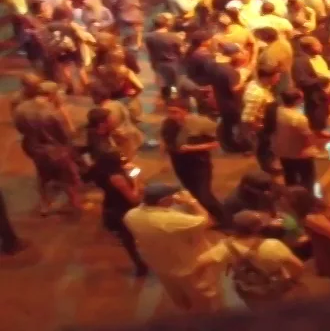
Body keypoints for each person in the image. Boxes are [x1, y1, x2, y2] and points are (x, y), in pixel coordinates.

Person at [124, 182, 220, 312]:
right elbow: (207, 221)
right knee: (202, 302)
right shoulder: (172, 220)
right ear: (164, 200)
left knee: (180, 301)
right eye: (173, 196)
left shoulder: (131, 215)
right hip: (189, 267)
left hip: (161, 266)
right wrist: (192, 201)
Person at [201, 210, 305, 307]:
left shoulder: (225, 248)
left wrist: (203, 283)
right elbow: (299, 265)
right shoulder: (273, 245)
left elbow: (201, 261)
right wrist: (293, 279)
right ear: (257, 228)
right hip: (275, 287)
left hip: (248, 289)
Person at [86, 114, 147, 276]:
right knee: (132, 236)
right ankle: (142, 263)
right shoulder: (117, 178)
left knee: (127, 240)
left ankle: (139, 263)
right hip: (123, 209)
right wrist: (135, 180)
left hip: (110, 206)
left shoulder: (100, 170)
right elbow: (133, 197)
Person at [13, 78, 82, 214]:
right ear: (52, 95)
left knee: (42, 175)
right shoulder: (52, 113)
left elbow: (19, 128)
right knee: (67, 177)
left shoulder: (20, 108)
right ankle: (75, 204)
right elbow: (64, 136)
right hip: (56, 151)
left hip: (33, 148)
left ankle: (45, 205)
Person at [161, 99, 227, 224]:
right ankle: (206, 218)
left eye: (176, 112)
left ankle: (226, 220)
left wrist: (192, 148)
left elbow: (217, 143)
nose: (172, 115)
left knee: (204, 195)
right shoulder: (168, 124)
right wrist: (164, 160)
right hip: (180, 164)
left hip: (199, 164)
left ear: (185, 111)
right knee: (193, 193)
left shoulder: (201, 123)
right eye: (169, 112)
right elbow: (164, 141)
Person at [272, 89, 321, 189]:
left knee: (289, 178)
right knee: (307, 179)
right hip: (300, 154)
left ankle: (291, 198)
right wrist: (314, 148)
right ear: (297, 101)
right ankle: (306, 199)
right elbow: (307, 136)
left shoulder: (277, 111)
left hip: (283, 152)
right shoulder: (299, 118)